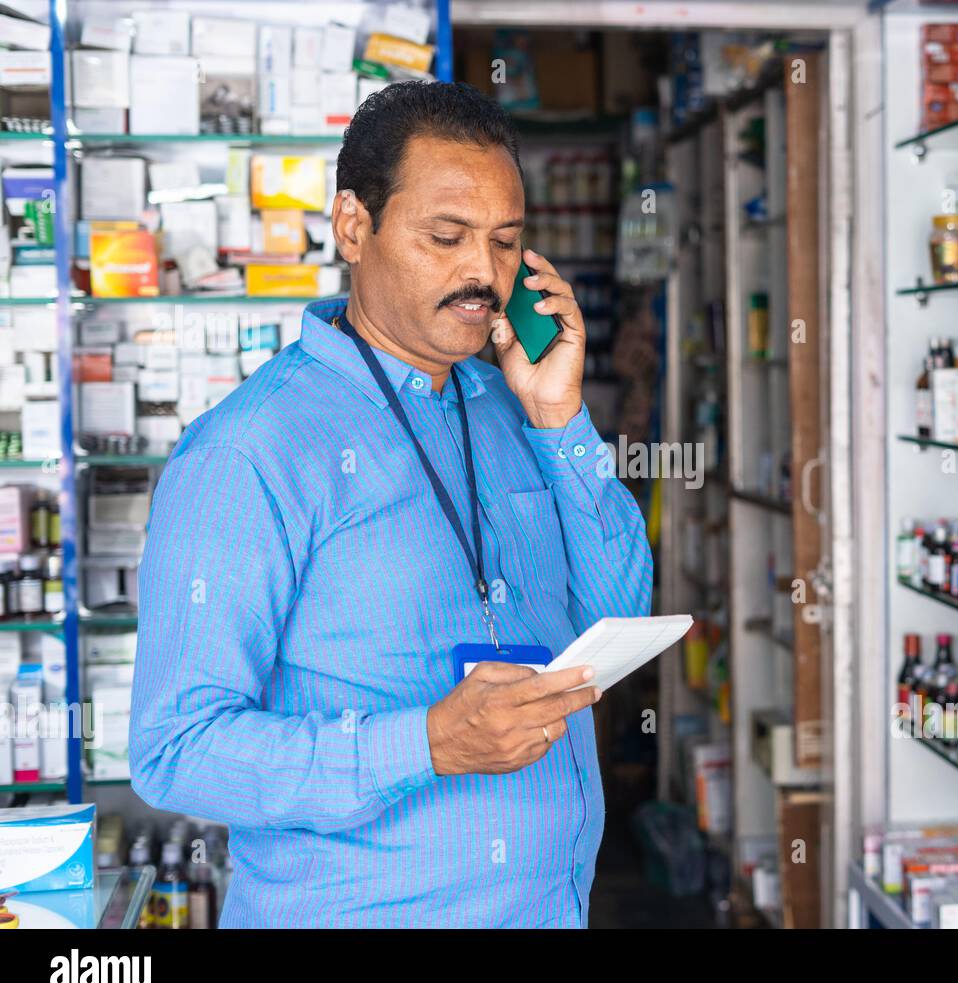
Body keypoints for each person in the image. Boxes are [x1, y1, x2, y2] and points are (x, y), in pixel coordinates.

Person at [130, 81, 653, 928]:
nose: (482, 272)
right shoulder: (249, 450)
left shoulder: (509, 406)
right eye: (445, 237)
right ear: (353, 226)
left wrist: (562, 417)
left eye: (506, 241)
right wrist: (428, 742)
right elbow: (176, 750)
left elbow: (615, 616)